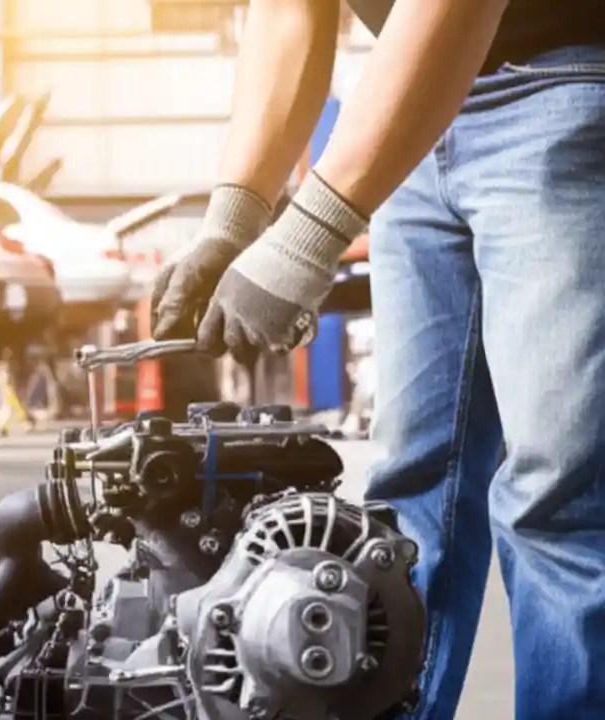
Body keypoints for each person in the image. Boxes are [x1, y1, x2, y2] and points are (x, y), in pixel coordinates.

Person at [149, 0, 605, 717]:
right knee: (408, 501)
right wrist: (233, 221)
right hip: (414, 120)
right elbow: (287, 12)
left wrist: (305, 241)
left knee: (560, 494)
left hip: (561, 84)